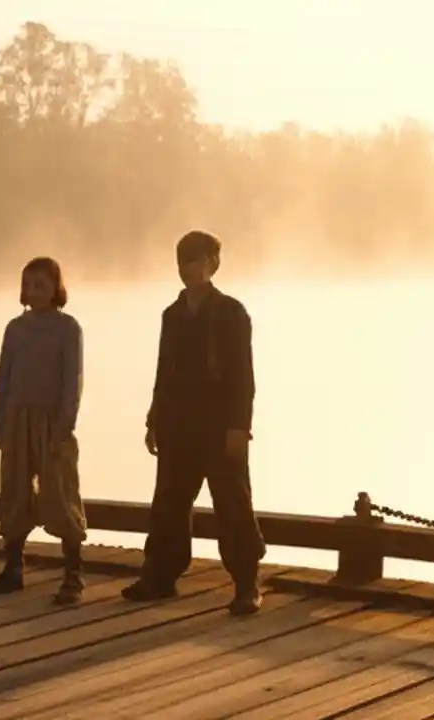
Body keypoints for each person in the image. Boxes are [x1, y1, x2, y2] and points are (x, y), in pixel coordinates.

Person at [122, 230, 266, 616]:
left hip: (220, 424)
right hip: (177, 422)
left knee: (233, 503)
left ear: (213, 264)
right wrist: (154, 420)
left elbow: (243, 375)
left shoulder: (232, 312)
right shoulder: (172, 314)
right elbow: (162, 371)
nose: (190, 268)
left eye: (198, 260)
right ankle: (160, 577)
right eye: (184, 260)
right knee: (169, 503)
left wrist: (239, 425)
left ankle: (246, 583)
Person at [0, 257, 87, 605]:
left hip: (53, 420)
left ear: (56, 289)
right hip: (17, 417)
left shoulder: (69, 329)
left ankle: (73, 575)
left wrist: (64, 426)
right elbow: (3, 377)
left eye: (41, 285)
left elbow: (74, 382)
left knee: (61, 492)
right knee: (14, 490)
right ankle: (13, 568)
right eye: (28, 285)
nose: (34, 292)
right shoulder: (15, 329)